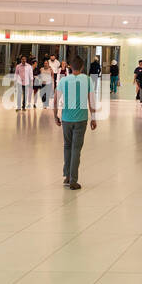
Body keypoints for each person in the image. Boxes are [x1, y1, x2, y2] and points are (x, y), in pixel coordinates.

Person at [54, 54, 97, 189]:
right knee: (76, 149)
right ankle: (73, 180)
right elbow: (91, 100)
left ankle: (67, 176)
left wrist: (56, 116)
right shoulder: (88, 80)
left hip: (66, 119)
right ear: (83, 67)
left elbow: (55, 100)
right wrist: (94, 118)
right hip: (81, 119)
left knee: (67, 146)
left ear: (70, 67)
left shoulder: (63, 81)